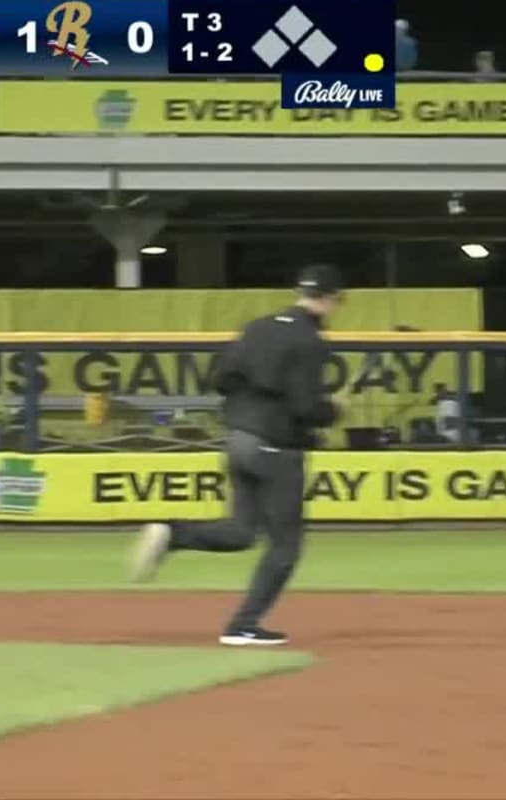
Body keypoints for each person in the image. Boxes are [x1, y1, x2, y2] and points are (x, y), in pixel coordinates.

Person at [128, 264, 345, 647]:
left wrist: (251, 402)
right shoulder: (309, 341)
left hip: (239, 440)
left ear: (299, 291)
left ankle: (172, 532)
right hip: (277, 448)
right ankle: (243, 625)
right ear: (329, 299)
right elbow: (304, 406)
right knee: (285, 548)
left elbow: (221, 379)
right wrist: (333, 410)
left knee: (241, 532)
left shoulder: (257, 327)